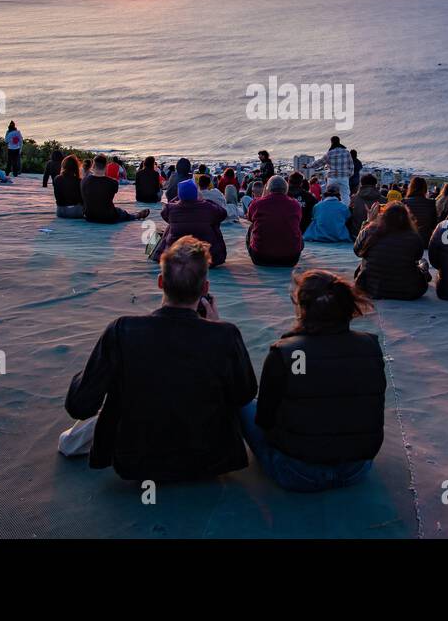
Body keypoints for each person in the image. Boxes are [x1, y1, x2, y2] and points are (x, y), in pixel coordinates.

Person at [63, 237, 257, 481]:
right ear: (205, 289)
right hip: (210, 461)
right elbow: (244, 395)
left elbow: (79, 405)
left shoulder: (122, 331)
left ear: (160, 282)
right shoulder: (225, 335)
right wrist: (216, 328)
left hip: (136, 463)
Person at [242, 269, 385, 491]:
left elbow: (264, 420)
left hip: (297, 472)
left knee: (244, 404)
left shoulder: (285, 353)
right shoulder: (371, 346)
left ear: (303, 309)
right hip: (356, 469)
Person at [353, 201, 429, 300]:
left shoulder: (371, 230)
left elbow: (357, 250)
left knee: (365, 261)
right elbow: (417, 257)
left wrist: (368, 221)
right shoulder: (414, 237)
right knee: (422, 262)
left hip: (371, 289)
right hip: (407, 291)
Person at [150, 178, 227, 265]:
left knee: (171, 225)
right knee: (213, 223)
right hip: (207, 259)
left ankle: (159, 253)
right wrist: (205, 201)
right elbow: (223, 214)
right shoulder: (208, 207)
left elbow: (165, 215)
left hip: (175, 259)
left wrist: (179, 198)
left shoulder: (171, 208)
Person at [246, 175, 304, 267]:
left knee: (252, 226)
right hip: (291, 259)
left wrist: (263, 196)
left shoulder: (257, 203)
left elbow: (250, 218)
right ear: (286, 189)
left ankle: (254, 249)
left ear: (268, 188)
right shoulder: (295, 205)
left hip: (260, 258)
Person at [82, 154, 148, 223]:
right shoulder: (113, 183)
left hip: (89, 216)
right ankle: (136, 216)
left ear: (93, 166)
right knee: (121, 212)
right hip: (108, 216)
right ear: (105, 167)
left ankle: (134, 215)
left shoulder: (84, 181)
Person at [315, 136, 353, 204]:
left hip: (332, 178)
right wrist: (348, 175)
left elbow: (319, 163)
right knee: (345, 196)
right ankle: (344, 211)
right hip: (344, 177)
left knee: (330, 195)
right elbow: (351, 166)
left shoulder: (329, 153)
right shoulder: (347, 152)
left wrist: (308, 166)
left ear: (331, 142)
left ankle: (330, 210)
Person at [403, 176, 438, 247]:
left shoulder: (404, 202)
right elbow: (434, 224)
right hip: (425, 241)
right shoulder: (431, 203)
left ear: (411, 187)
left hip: (407, 240)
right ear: (425, 189)